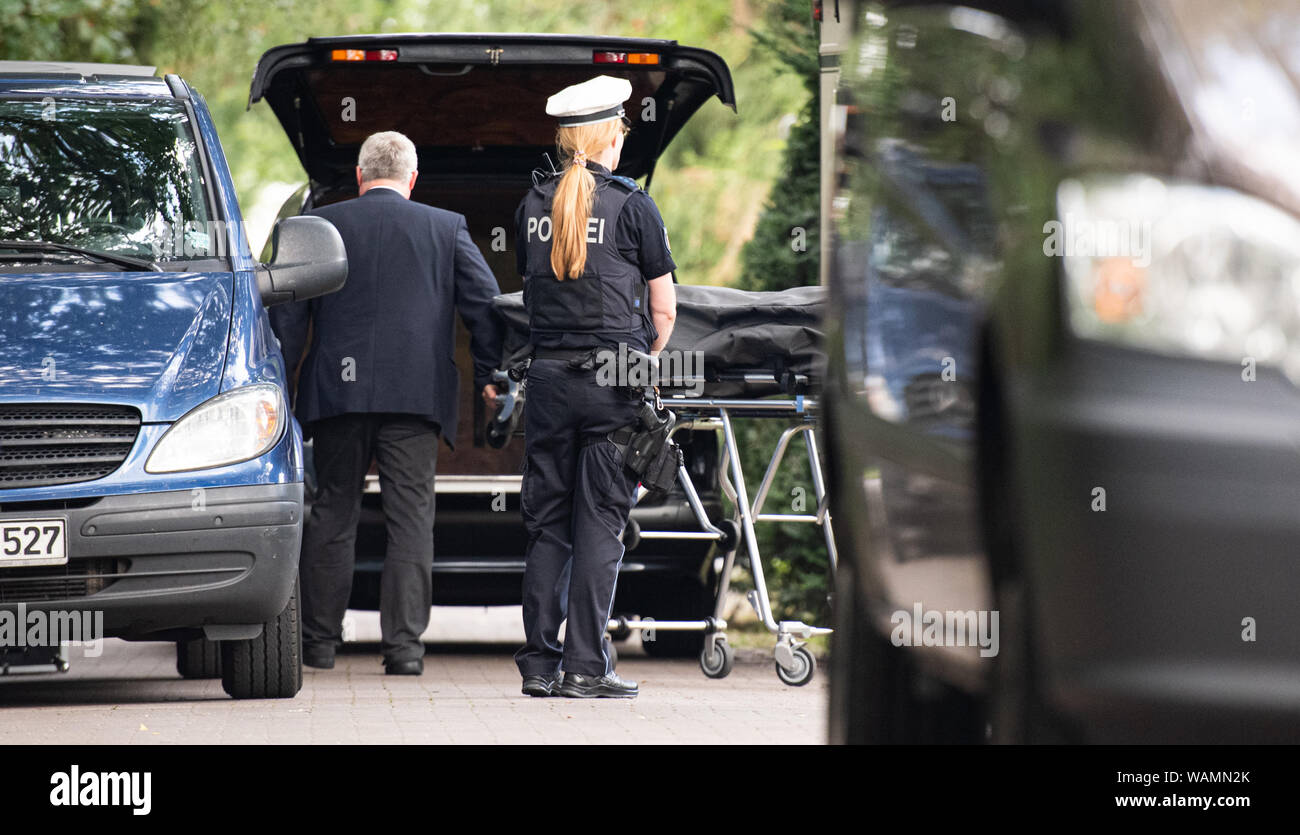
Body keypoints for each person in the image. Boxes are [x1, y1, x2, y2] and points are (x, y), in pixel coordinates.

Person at [271, 131, 502, 675]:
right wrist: (493, 374)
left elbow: (286, 316)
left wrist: (281, 382)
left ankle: (319, 643)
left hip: (337, 394)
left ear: (358, 175)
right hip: (414, 396)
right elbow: (486, 305)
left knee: (331, 513)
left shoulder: (319, 229)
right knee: (411, 520)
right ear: (412, 179)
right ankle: (404, 651)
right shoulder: (445, 228)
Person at [512, 76, 678, 698]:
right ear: (611, 136)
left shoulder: (531, 205)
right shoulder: (634, 205)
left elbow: (531, 294)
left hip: (549, 381)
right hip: (615, 380)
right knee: (600, 525)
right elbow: (663, 313)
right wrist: (639, 360)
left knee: (547, 525)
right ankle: (586, 667)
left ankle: (539, 666)